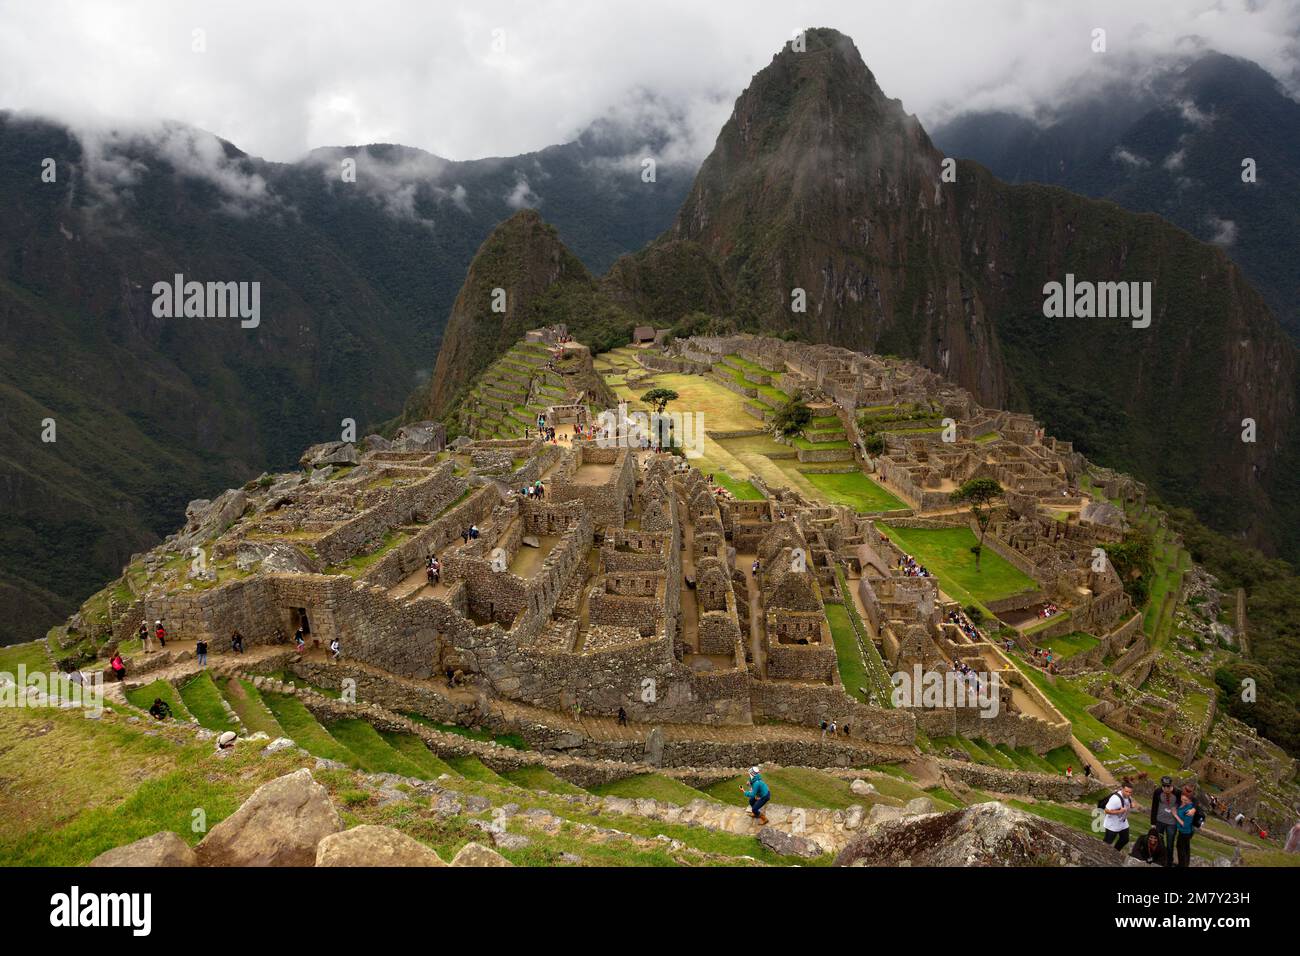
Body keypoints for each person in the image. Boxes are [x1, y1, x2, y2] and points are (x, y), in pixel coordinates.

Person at [1150, 775, 1181, 866]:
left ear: (1171, 785)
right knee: (1159, 841)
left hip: (1172, 823)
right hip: (1160, 821)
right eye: (1164, 786)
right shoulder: (1157, 792)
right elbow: (1154, 807)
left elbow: (1187, 801)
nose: (1166, 788)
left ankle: (1169, 862)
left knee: (1170, 843)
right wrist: (1153, 823)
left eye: (1168, 786)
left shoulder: (1178, 793)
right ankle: (1159, 858)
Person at [1102, 783, 1135, 852]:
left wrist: (1131, 805)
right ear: (1122, 789)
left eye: (1130, 792)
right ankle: (1101, 854)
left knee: (1125, 839)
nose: (1128, 794)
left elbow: (1127, 802)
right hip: (1112, 824)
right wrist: (1119, 811)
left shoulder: (1128, 797)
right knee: (1107, 843)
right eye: (1126, 791)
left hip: (1123, 822)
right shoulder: (1115, 799)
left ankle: (1115, 852)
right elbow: (1106, 811)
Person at [1173, 789, 1198, 867]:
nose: (1183, 801)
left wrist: (1175, 815)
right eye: (1182, 799)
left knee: (1181, 848)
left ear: (1190, 801)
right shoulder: (1183, 804)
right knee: (1185, 849)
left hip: (1185, 832)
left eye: (1185, 800)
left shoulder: (1189, 810)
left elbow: (1185, 824)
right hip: (1184, 832)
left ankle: (1182, 865)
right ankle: (1184, 864)